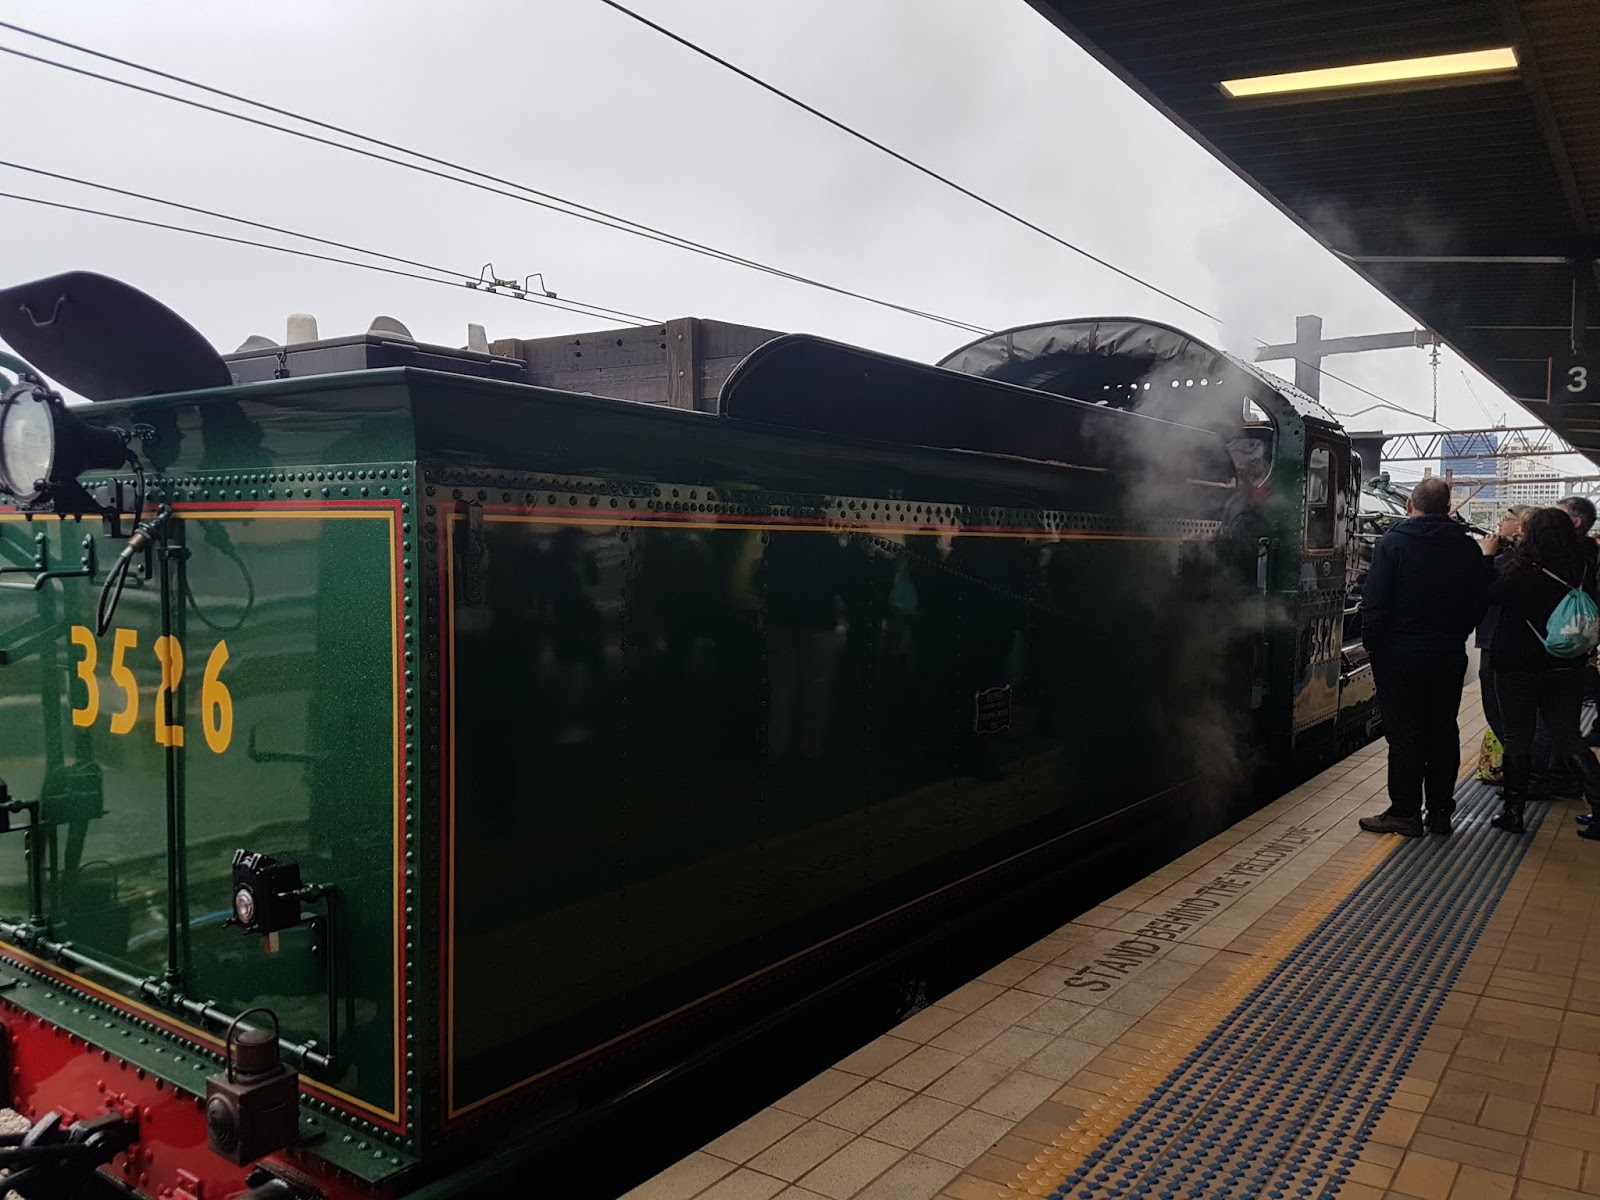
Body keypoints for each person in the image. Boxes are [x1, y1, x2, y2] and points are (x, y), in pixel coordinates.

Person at [1359, 477, 1492, 837]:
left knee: (1404, 734)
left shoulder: (1393, 544)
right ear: (1448, 509)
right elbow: (1479, 603)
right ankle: (1440, 813)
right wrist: (1455, 634)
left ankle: (1404, 812)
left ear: (1408, 506)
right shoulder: (1467, 548)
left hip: (1400, 654)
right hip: (1447, 652)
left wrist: (1375, 646)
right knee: (1442, 731)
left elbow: (1374, 602)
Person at [1482, 507, 1600, 835]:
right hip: (1568, 664)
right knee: (1568, 735)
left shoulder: (1520, 567)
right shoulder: (1582, 566)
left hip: (1518, 664)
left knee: (1518, 736)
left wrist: (1487, 557)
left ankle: (1514, 812)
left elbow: (1489, 596)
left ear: (1532, 534)